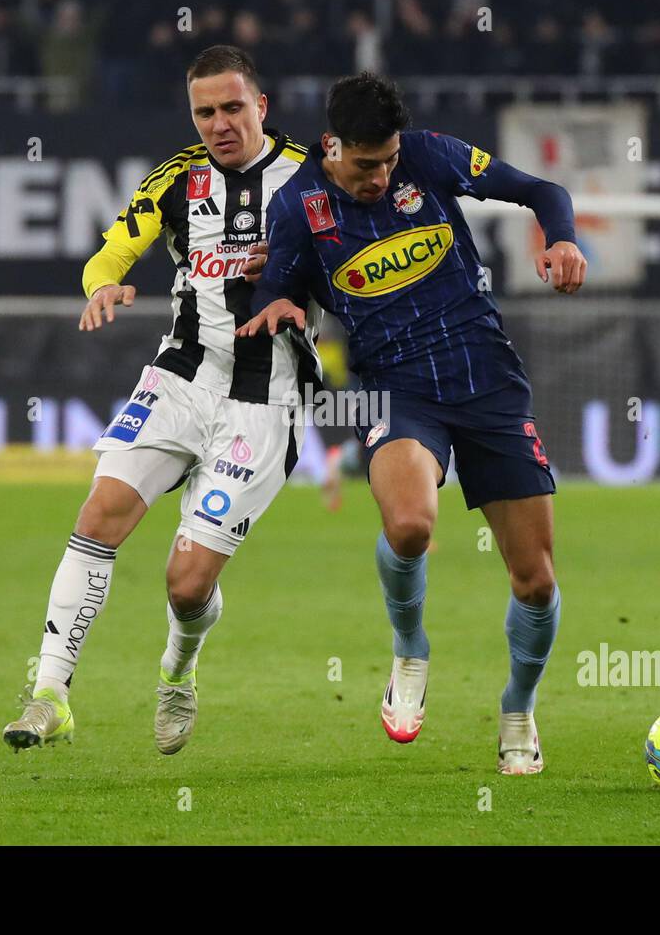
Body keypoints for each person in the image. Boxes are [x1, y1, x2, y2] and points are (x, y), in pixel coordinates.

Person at [239, 72, 586, 775]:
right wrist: (277, 300)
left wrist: (563, 240)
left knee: (536, 582)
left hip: (487, 380)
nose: (383, 175)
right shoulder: (297, 204)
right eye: (368, 165)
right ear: (331, 146)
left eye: (390, 161)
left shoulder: (429, 154)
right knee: (409, 526)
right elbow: (278, 279)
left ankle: (518, 708)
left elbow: (542, 192)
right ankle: (410, 649)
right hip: (396, 389)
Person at [3, 46, 318, 755]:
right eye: (205, 112)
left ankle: (179, 668)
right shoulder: (177, 178)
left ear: (260, 107)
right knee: (99, 513)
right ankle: (50, 694)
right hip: (179, 377)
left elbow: (350, 270)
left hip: (263, 399)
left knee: (186, 584)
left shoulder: (309, 178)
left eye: (232, 108)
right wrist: (101, 287)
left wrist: (302, 279)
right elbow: (111, 252)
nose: (219, 124)